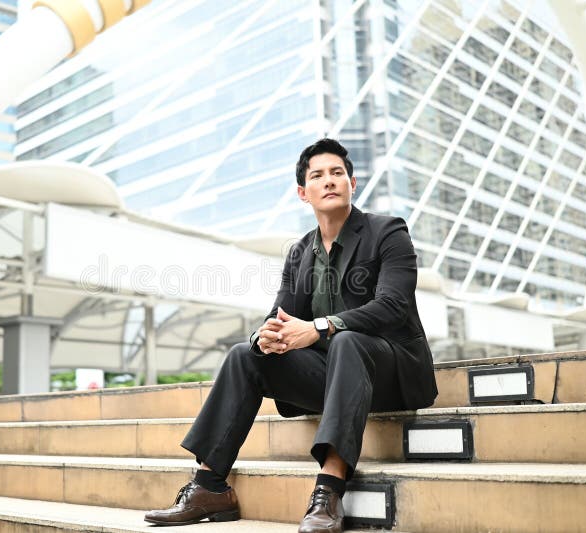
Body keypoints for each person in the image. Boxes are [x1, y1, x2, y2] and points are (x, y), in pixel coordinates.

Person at [144, 138, 438, 533]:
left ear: (352, 183)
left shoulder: (388, 232)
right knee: (243, 354)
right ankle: (209, 486)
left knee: (348, 341)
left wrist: (319, 327)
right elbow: (279, 316)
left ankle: (329, 491)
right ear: (304, 193)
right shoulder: (301, 252)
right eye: (318, 175)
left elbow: (392, 307)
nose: (329, 181)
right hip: (334, 379)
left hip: (393, 373)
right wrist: (266, 338)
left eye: (337, 173)